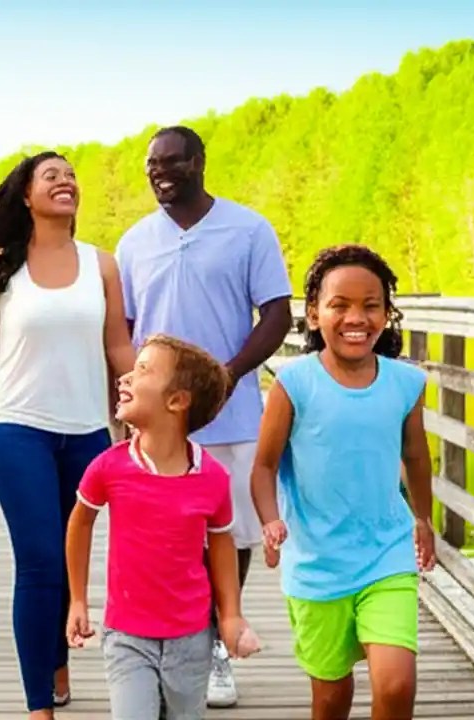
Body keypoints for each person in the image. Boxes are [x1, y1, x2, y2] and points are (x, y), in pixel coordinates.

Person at [0, 151, 136, 719]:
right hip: (16, 428)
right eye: (51, 175)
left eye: (71, 175)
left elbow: (116, 347)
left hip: (87, 434)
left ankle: (55, 662)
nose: (66, 181)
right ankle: (40, 707)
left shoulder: (101, 265)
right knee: (38, 561)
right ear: (26, 196)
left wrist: (138, 410)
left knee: (67, 557)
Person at [115, 125, 292, 708]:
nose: (159, 172)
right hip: (157, 424)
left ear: (199, 162)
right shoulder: (135, 242)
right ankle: (165, 648)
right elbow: (127, 332)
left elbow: (277, 314)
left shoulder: (247, 228)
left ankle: (218, 641)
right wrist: (128, 404)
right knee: (165, 534)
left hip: (233, 415)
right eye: (151, 164)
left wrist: (231, 372)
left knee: (230, 534)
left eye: (171, 162)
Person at [251, 244, 437, 720]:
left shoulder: (404, 383)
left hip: (386, 553)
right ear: (314, 315)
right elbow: (265, 466)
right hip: (317, 565)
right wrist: (270, 521)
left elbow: (415, 455)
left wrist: (423, 518)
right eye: (340, 305)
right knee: (331, 699)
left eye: (371, 305)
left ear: (387, 315)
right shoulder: (294, 384)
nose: (357, 317)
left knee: (395, 686)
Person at [64, 334, 261, 719]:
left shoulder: (213, 478)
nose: (125, 378)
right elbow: (80, 521)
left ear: (177, 401)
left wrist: (231, 613)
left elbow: (222, 545)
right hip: (126, 634)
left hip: (192, 637)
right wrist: (77, 599)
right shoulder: (109, 467)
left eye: (142, 370)